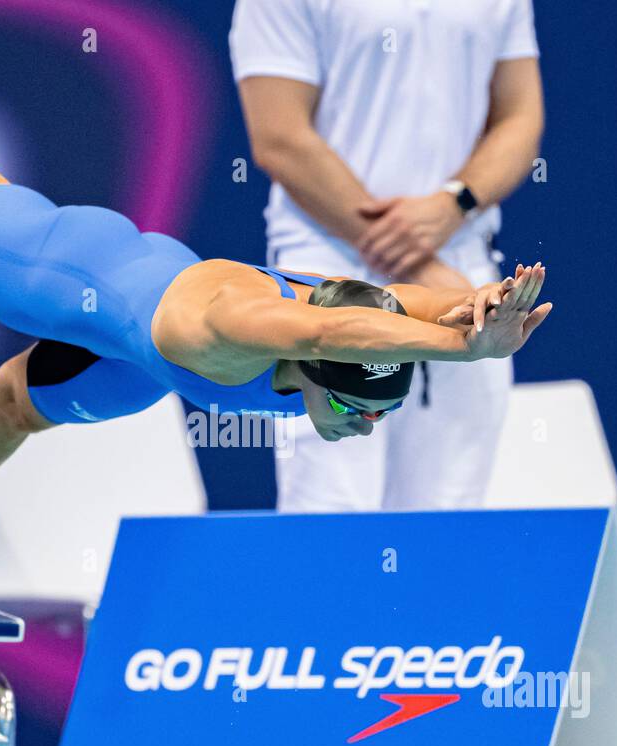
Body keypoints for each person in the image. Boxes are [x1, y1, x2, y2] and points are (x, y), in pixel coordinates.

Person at [0, 96, 551, 636]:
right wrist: (459, 350)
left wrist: (471, 305)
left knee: (12, 409)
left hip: (146, 366)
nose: (367, 426)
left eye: (381, 412)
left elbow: (393, 301)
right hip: (69, 273)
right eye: (359, 410)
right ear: (320, 369)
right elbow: (330, 330)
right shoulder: (251, 323)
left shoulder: (348, 333)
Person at [230, 0, 544, 512]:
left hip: (458, 257)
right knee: (330, 508)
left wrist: (455, 201)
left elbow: (520, 116)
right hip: (326, 274)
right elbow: (281, 137)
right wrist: (415, 259)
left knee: (450, 508)